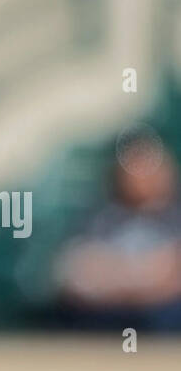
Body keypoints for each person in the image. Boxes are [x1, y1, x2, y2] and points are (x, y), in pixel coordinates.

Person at [56, 135, 181, 331]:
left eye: (150, 168)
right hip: (106, 316)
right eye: (134, 168)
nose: (140, 177)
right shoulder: (99, 220)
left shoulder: (175, 220)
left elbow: (172, 279)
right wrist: (139, 280)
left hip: (163, 319)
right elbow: (76, 274)